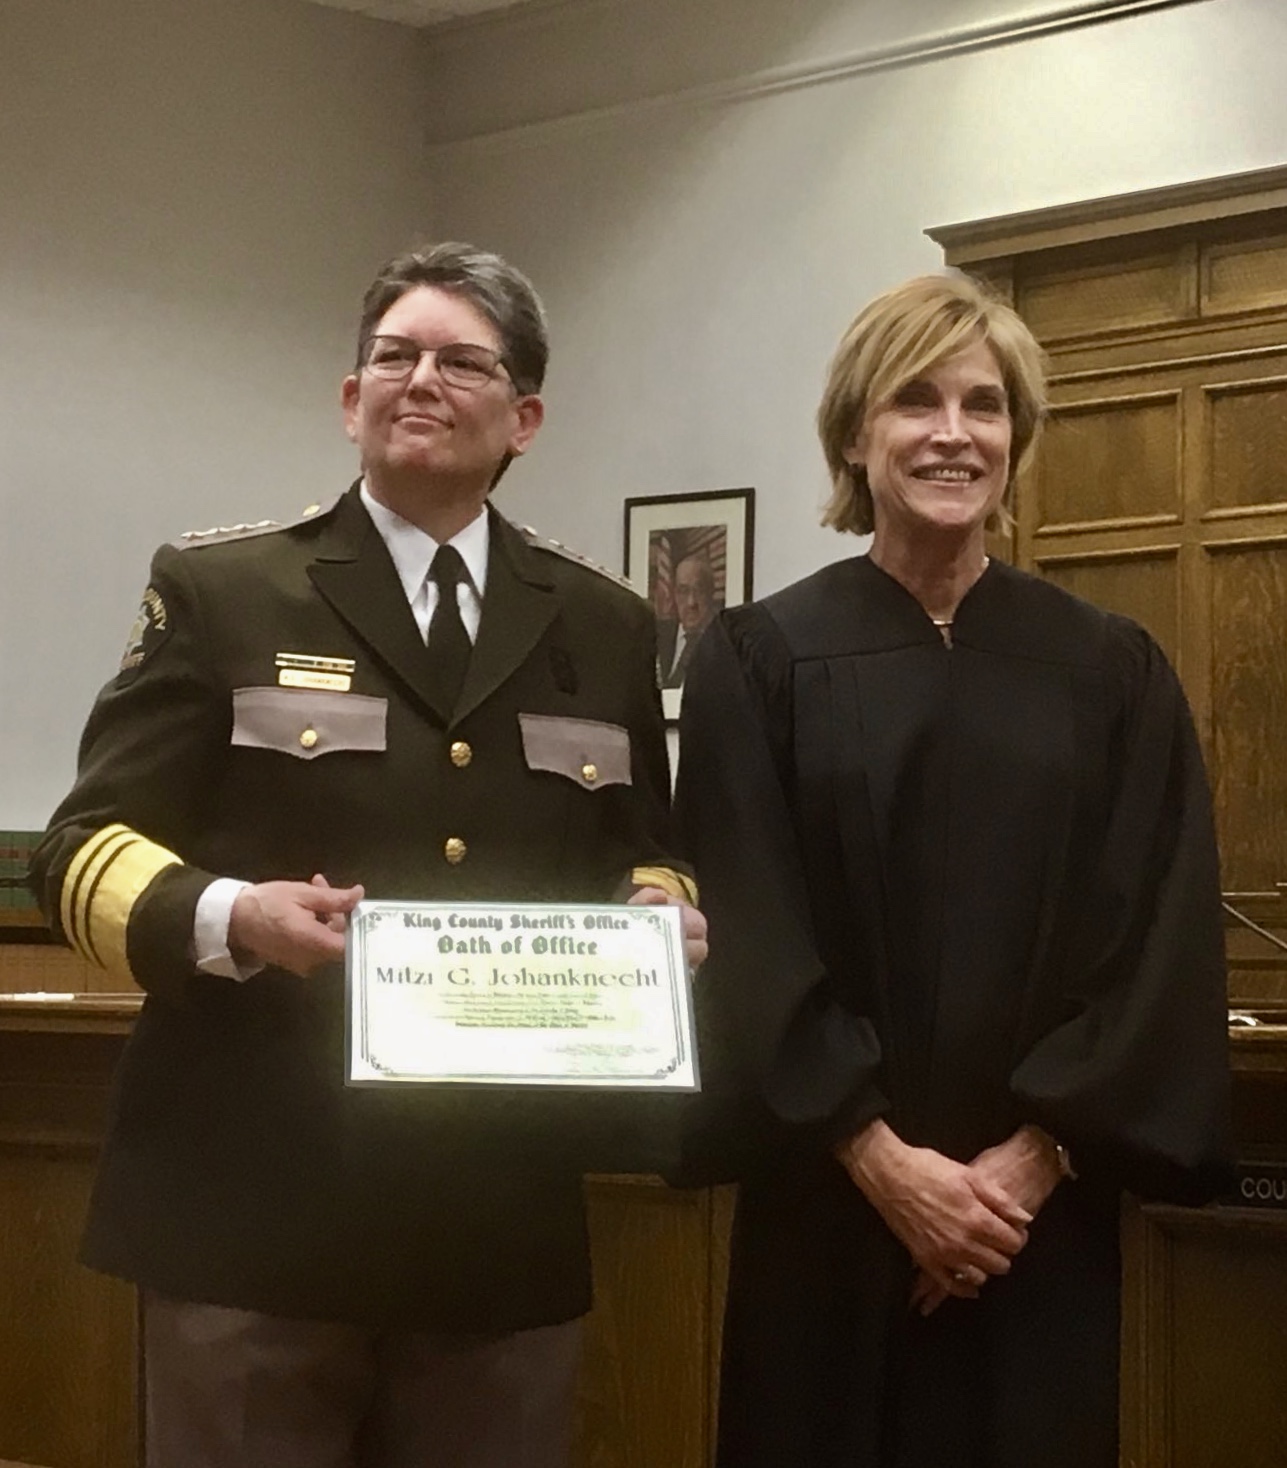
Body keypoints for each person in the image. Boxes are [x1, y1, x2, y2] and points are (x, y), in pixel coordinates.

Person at [30, 242, 706, 1468]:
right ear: (351, 401)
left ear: (526, 418)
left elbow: (643, 848)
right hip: (252, 1203)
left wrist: (655, 916)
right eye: (392, 357)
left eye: (461, 362)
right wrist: (233, 915)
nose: (419, 381)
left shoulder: (602, 623)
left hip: (495, 1218)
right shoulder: (224, 588)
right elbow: (81, 850)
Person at [673, 272, 1231, 1468]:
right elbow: (751, 928)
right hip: (828, 1208)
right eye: (914, 400)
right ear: (856, 435)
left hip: (1036, 1228)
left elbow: (1157, 933)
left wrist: (1021, 1173)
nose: (951, 432)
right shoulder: (762, 658)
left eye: (985, 405)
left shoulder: (1110, 670)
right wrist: (882, 1162)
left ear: (1017, 440)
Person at [659, 552, 718, 687]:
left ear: (711, 593)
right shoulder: (657, 637)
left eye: (699, 590)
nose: (691, 603)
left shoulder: (724, 642)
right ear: (674, 594)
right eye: (683, 591)